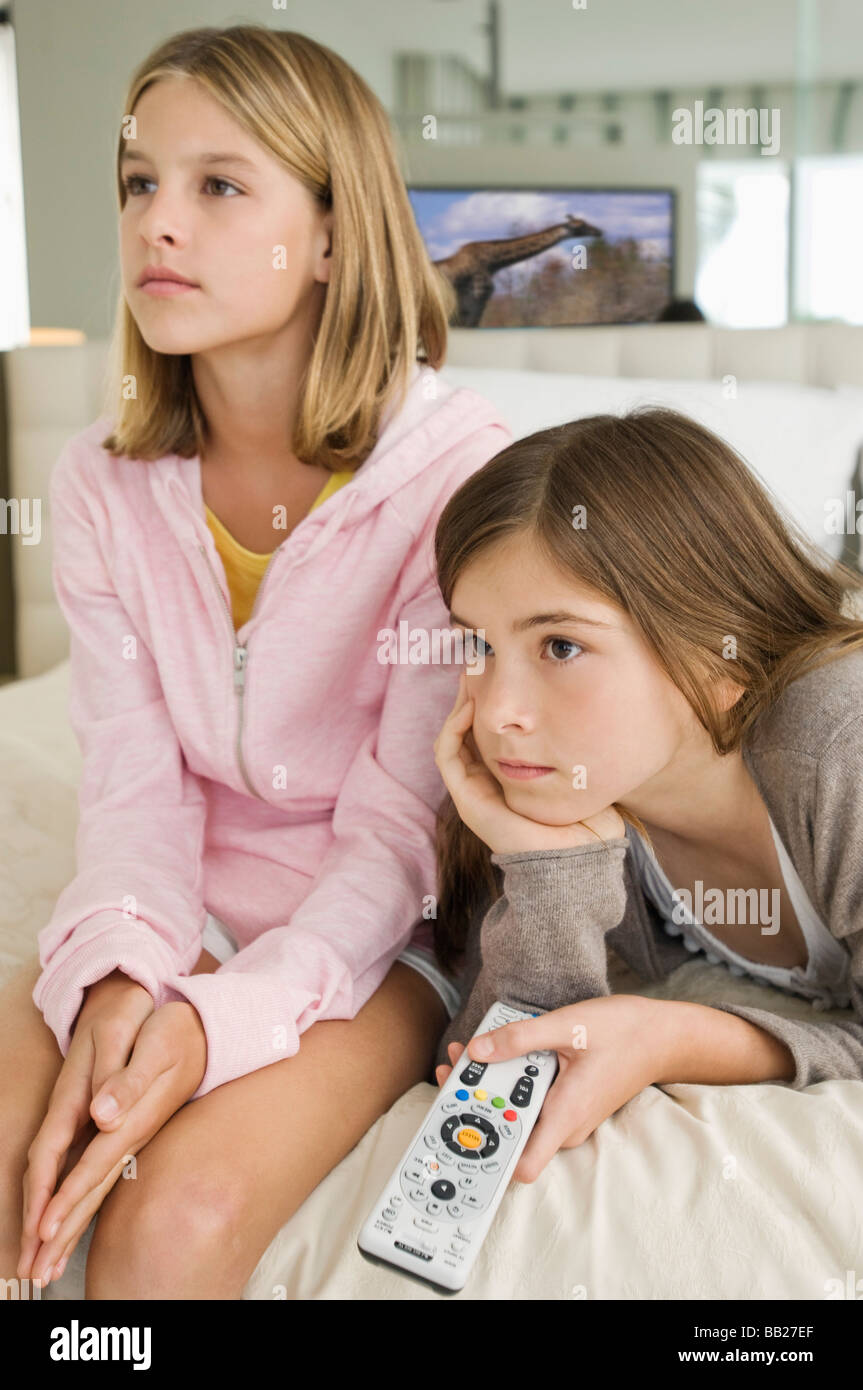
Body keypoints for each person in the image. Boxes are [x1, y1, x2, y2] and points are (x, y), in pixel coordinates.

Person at [0, 25, 511, 1299]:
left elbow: (399, 832)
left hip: (383, 935)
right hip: (176, 901)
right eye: (138, 183)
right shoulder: (100, 485)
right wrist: (125, 963)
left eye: (218, 185)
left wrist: (215, 1021)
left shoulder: (456, 478)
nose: (158, 224)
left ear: (332, 236)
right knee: (14, 1164)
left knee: (166, 1230)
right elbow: (130, 782)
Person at [428, 406, 863, 1183]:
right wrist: (550, 873)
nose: (496, 712)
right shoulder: (567, 789)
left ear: (713, 660)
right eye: (477, 645)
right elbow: (494, 1060)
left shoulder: (842, 742)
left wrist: (678, 1037)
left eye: (561, 645)